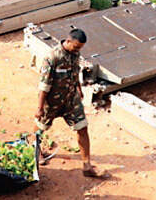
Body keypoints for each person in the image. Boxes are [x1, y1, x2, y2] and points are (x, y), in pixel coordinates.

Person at [36, 29, 107, 179]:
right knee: (40, 129)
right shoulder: (52, 57)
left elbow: (75, 73)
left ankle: (87, 165)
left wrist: (79, 90)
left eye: (80, 48)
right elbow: (44, 85)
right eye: (76, 47)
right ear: (68, 41)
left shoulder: (75, 54)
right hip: (52, 101)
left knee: (82, 127)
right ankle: (36, 154)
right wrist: (40, 108)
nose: (77, 50)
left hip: (70, 100)